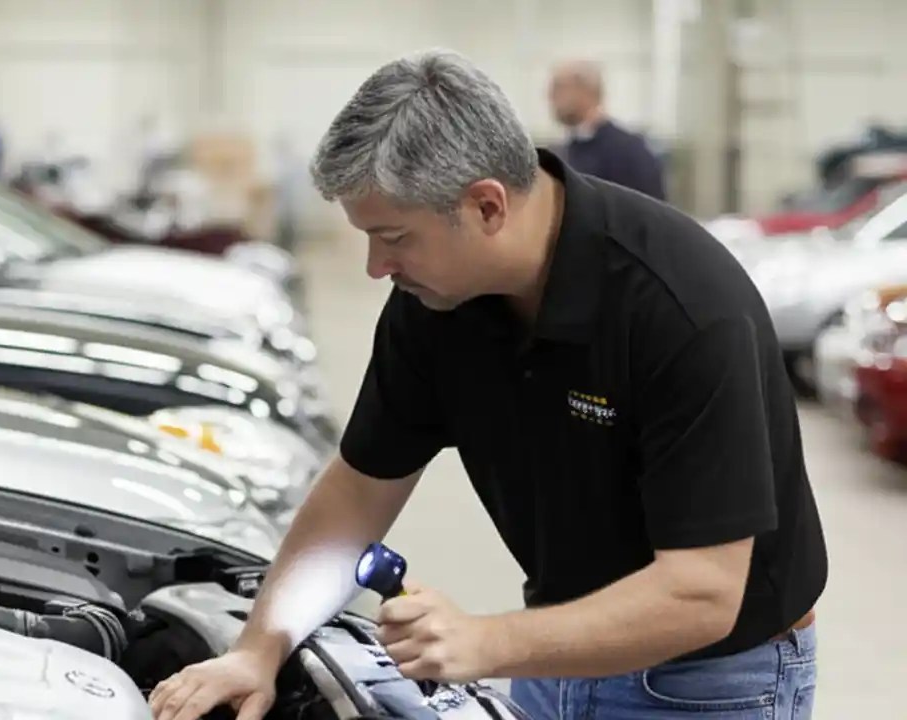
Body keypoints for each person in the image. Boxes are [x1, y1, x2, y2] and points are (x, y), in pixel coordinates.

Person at [148, 48, 827, 720]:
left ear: (487, 207)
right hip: (552, 651)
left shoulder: (680, 309)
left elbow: (704, 593)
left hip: (707, 681)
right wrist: (258, 649)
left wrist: (487, 641)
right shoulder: (435, 304)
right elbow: (360, 487)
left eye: (393, 236)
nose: (376, 266)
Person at [549, 59, 667, 201]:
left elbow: (652, 213)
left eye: (558, 88)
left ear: (586, 91)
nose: (550, 97)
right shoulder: (566, 151)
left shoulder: (629, 151)